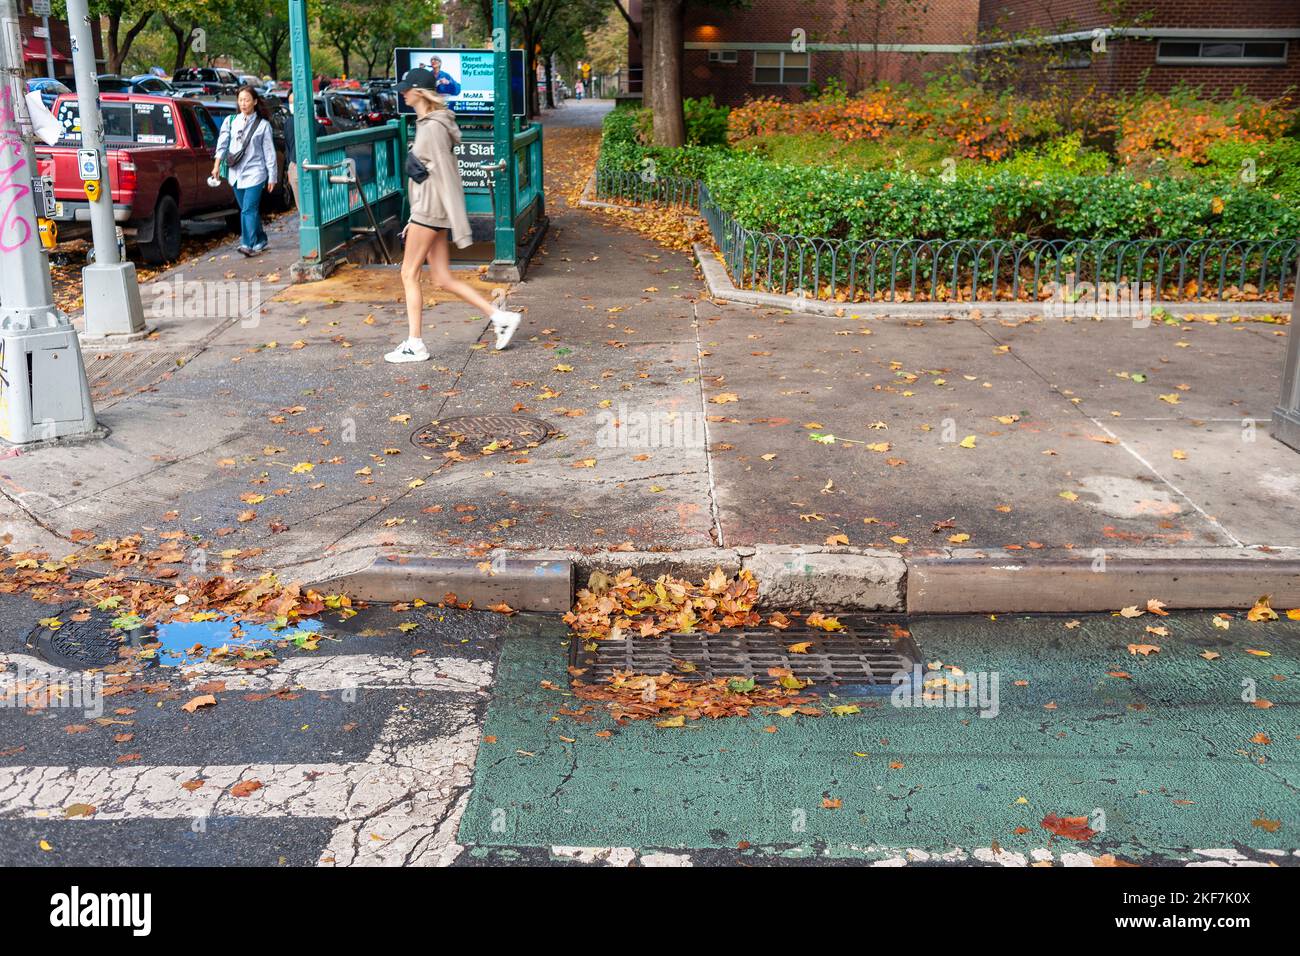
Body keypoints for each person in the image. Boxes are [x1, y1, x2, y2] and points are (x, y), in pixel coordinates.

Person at [387, 67, 520, 362]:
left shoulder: (432, 127)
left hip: (429, 211)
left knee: (408, 273)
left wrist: (453, 221)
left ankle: (415, 343)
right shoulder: (428, 123)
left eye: (406, 89)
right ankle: (500, 318)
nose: (403, 93)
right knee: (442, 278)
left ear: (419, 91)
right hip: (429, 210)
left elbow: (447, 176)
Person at [212, 85, 277, 256]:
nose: (243, 103)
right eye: (240, 100)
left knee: (248, 209)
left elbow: (269, 153)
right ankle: (261, 239)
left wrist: (272, 177)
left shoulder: (263, 126)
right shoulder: (231, 121)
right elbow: (222, 145)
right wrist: (217, 165)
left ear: (255, 102)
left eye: (247, 100)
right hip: (235, 173)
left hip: (256, 173)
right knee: (249, 210)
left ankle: (247, 243)